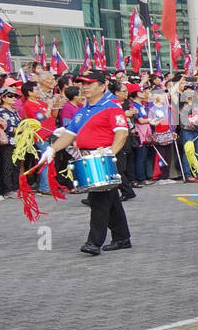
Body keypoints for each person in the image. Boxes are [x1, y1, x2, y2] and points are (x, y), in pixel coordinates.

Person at [37, 69, 131, 253]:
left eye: (90, 84)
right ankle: (122, 237)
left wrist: (110, 152)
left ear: (102, 86)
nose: (85, 87)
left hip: (105, 156)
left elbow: (122, 132)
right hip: (89, 157)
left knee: (99, 199)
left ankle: (94, 242)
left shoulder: (111, 106)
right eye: (83, 84)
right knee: (109, 199)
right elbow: (69, 134)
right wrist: (52, 148)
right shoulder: (83, 110)